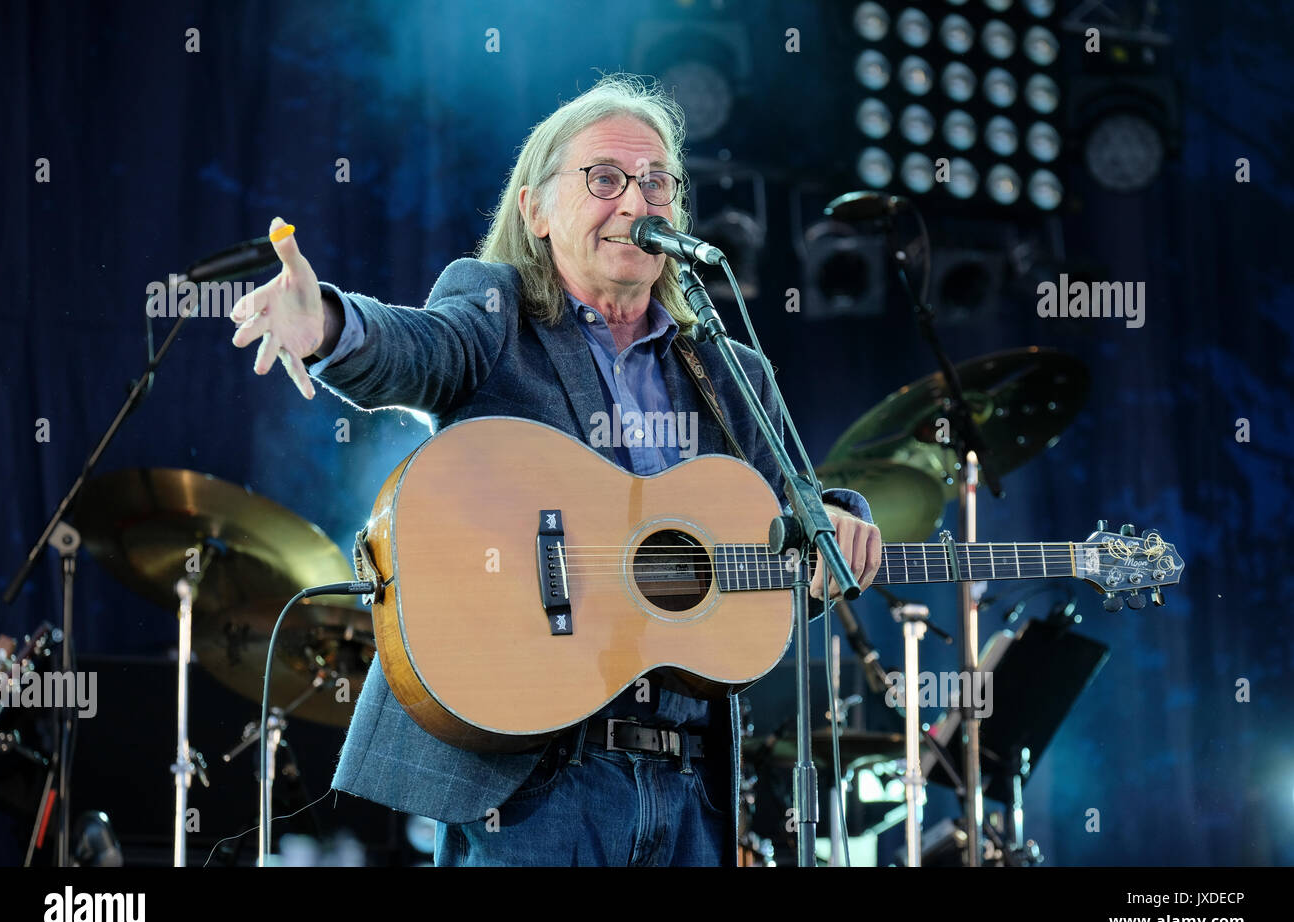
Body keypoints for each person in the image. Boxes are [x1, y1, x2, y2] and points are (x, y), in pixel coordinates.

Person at [227, 74, 881, 866]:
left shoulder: (730, 366)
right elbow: (419, 351)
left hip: (689, 791)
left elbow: (788, 519)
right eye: (604, 178)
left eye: (656, 182)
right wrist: (329, 326)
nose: (636, 202)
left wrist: (842, 527)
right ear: (535, 210)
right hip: (530, 788)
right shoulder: (497, 314)